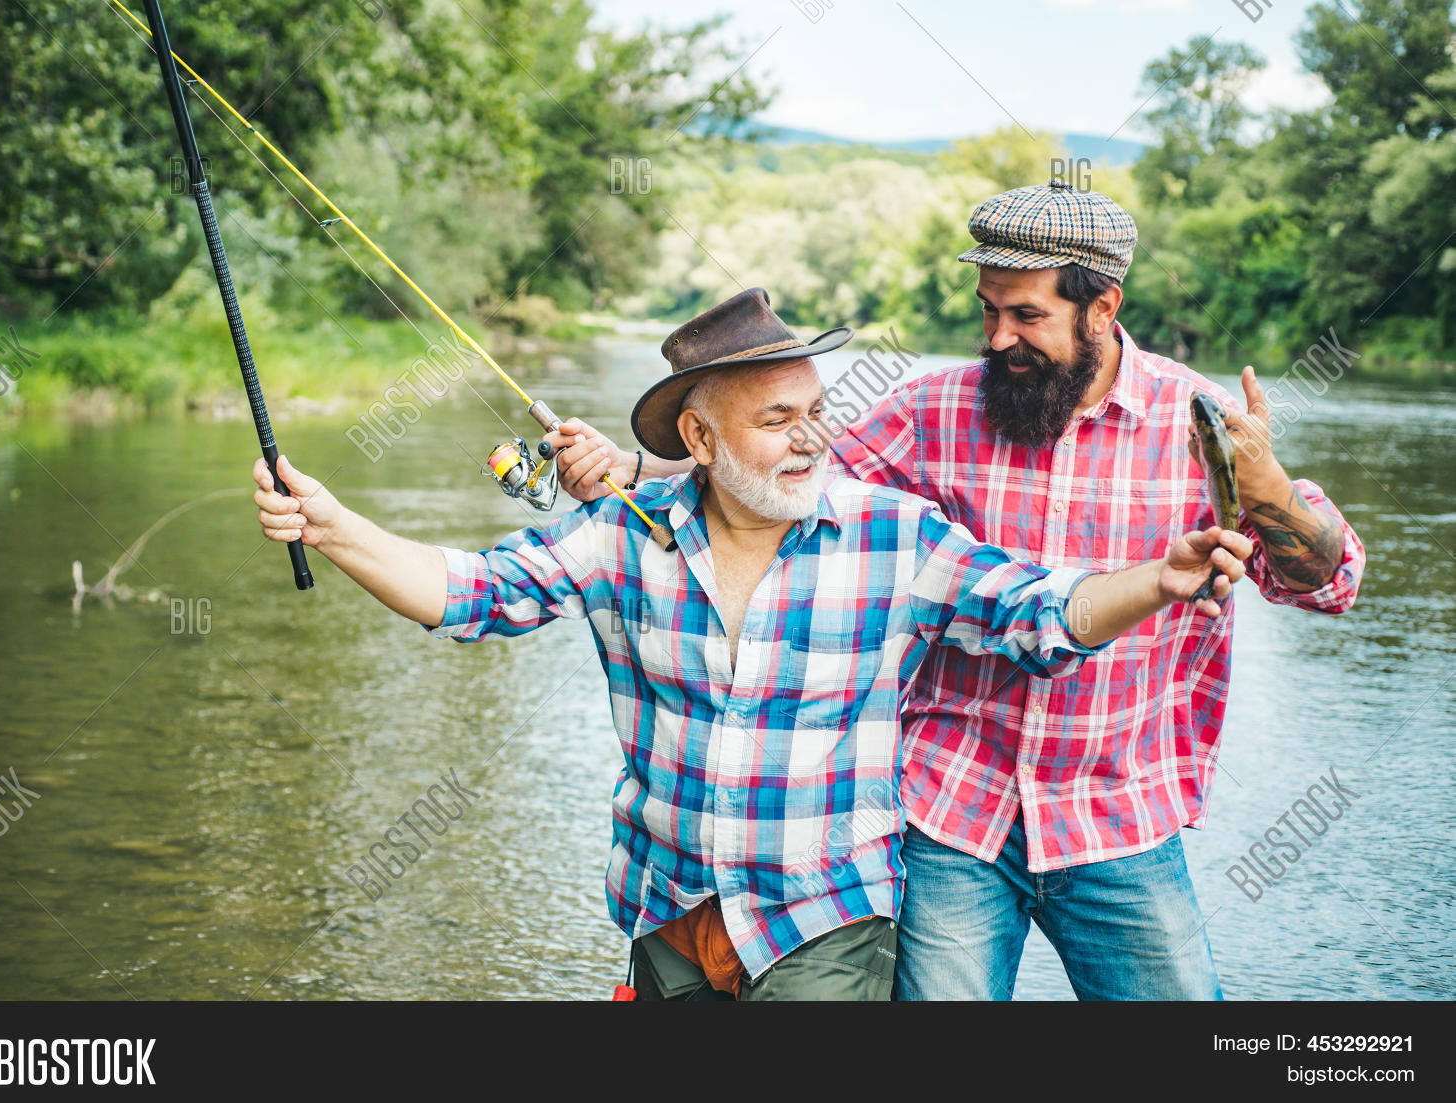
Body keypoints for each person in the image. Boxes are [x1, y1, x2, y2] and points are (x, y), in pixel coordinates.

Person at [254, 287, 1253, 1001]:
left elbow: (1041, 611)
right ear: (699, 440)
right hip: (670, 918)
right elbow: (469, 592)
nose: (812, 437)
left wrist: (1157, 582)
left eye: (816, 411)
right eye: (777, 420)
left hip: (826, 917)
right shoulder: (619, 534)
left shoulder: (890, 532)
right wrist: (333, 524)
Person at [553, 184, 1365, 1001]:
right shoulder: (932, 409)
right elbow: (778, 488)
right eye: (988, 311)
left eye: (1025, 316)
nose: (998, 336)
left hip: (1116, 810)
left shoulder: (1203, 423)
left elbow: (1331, 583)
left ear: (1101, 307)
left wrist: (1268, 490)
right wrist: (635, 474)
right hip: (949, 810)